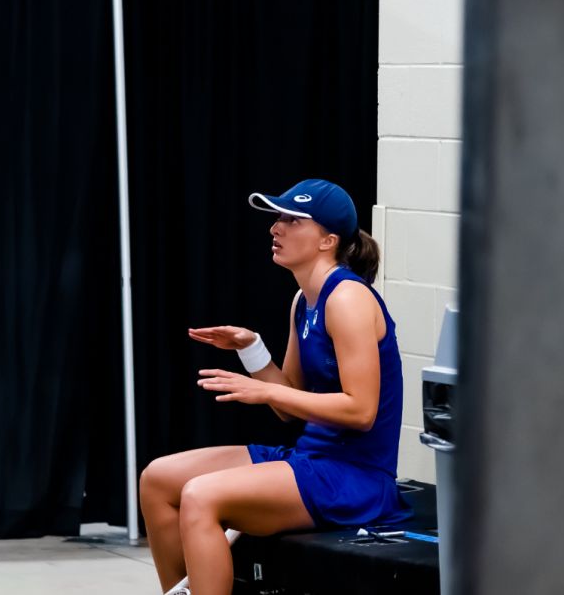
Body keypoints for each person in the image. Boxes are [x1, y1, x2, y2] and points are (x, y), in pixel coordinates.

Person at [139, 179, 412, 595]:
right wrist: (252, 349)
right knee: (157, 479)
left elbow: (362, 411)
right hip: (311, 459)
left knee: (200, 496)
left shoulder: (348, 299)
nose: (275, 228)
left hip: (354, 479)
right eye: (277, 218)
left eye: (290, 219)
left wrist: (267, 392)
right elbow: (289, 406)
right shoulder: (303, 300)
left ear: (328, 240)